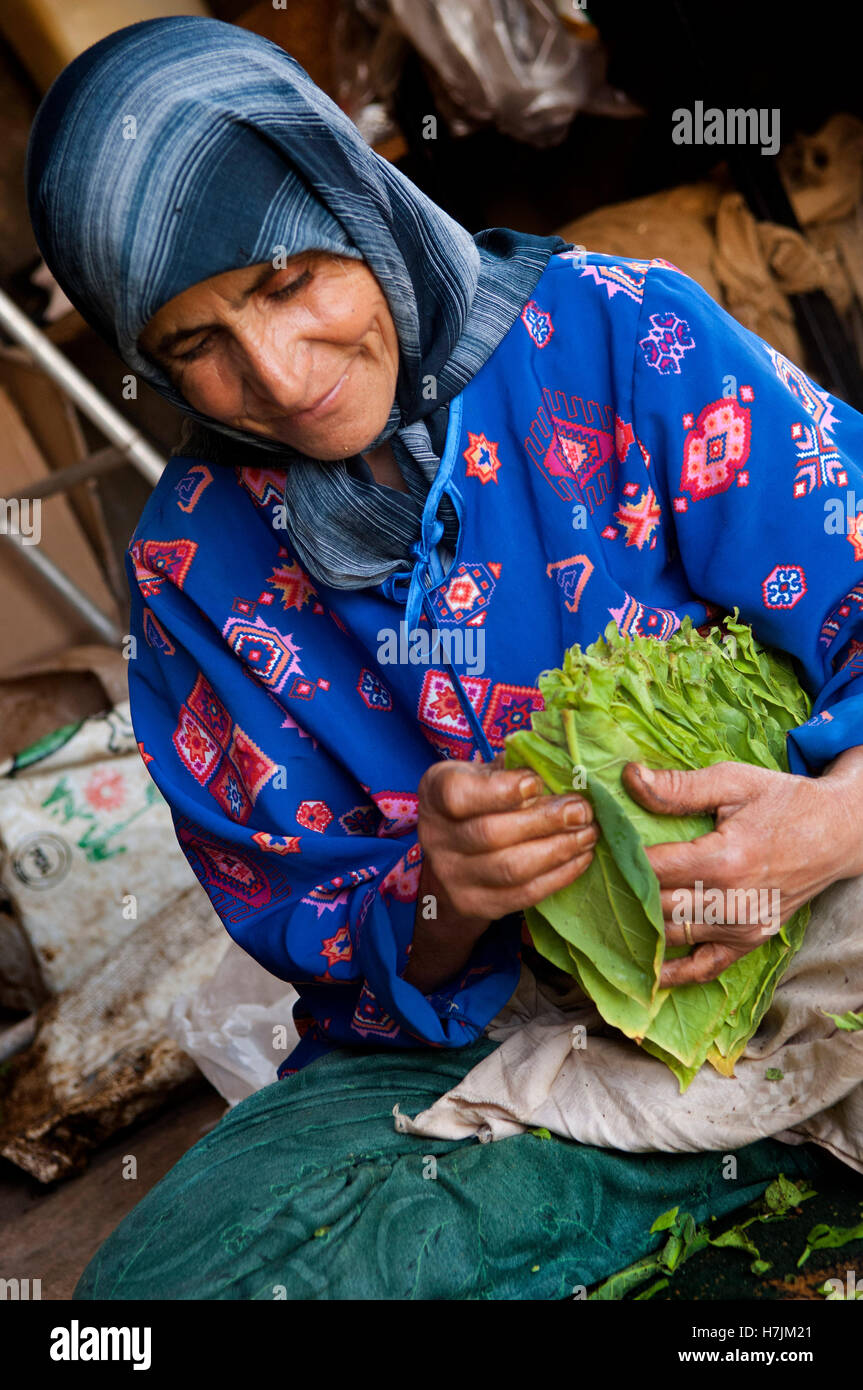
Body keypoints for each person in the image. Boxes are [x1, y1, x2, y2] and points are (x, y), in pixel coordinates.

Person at [26, 15, 863, 1088]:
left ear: (359, 196)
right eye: (196, 346)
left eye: (286, 284)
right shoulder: (194, 570)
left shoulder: (616, 335)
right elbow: (312, 933)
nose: (279, 377)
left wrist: (829, 826)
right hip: (500, 1039)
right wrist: (440, 897)